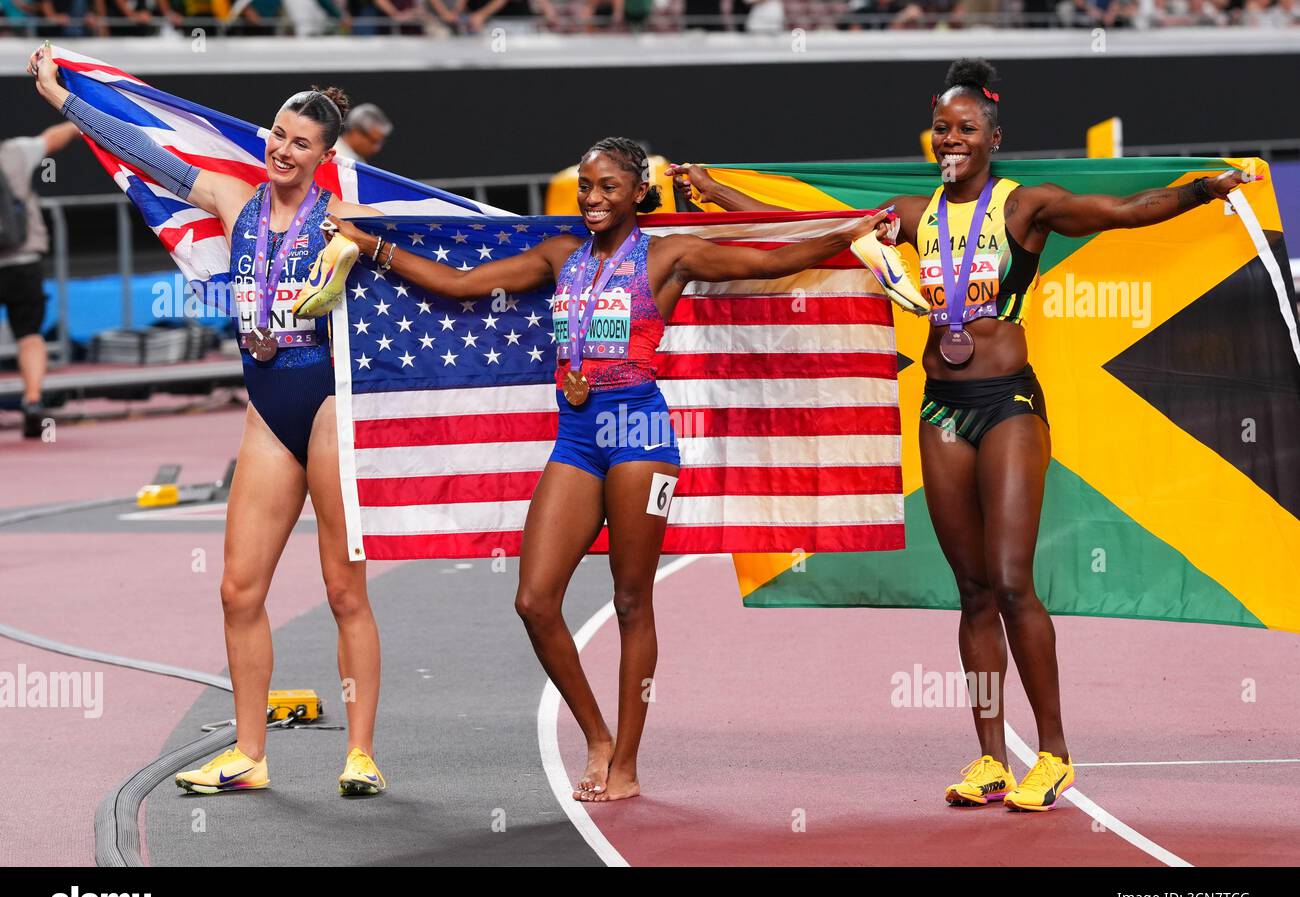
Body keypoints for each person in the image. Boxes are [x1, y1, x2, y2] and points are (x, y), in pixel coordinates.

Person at [670, 58, 1249, 812]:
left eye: (966, 129)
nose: (951, 139)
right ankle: (988, 759)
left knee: (1010, 582)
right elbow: (809, 235)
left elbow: (1125, 210)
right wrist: (716, 193)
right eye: (942, 128)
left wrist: (1207, 189)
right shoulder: (912, 218)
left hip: (1008, 404)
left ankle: (1054, 752)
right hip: (942, 410)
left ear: (993, 136)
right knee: (972, 592)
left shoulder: (1025, 209)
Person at [327, 137, 888, 801]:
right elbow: (458, 285)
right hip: (577, 436)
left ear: (638, 193)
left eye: (608, 188)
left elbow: (772, 260)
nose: (593, 199)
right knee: (534, 600)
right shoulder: (560, 254)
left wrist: (849, 234)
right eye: (586, 187)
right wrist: (370, 246)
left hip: (640, 435)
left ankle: (625, 761)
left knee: (630, 601)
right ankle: (594, 734)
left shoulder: (669, 255)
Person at [29, 46, 392, 797]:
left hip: (325, 405)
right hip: (266, 408)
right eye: (278, 135)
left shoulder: (345, 216)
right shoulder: (233, 200)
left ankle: (360, 755)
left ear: (324, 156)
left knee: (344, 591)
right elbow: (142, 148)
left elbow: (440, 262)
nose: (283, 149)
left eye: (301, 143)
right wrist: (66, 101)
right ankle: (251, 756)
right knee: (237, 591)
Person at [0, 120, 78, 440]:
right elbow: (51, 140)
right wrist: (79, 119)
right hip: (23, 261)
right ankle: (32, 401)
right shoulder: (15, 152)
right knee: (29, 335)